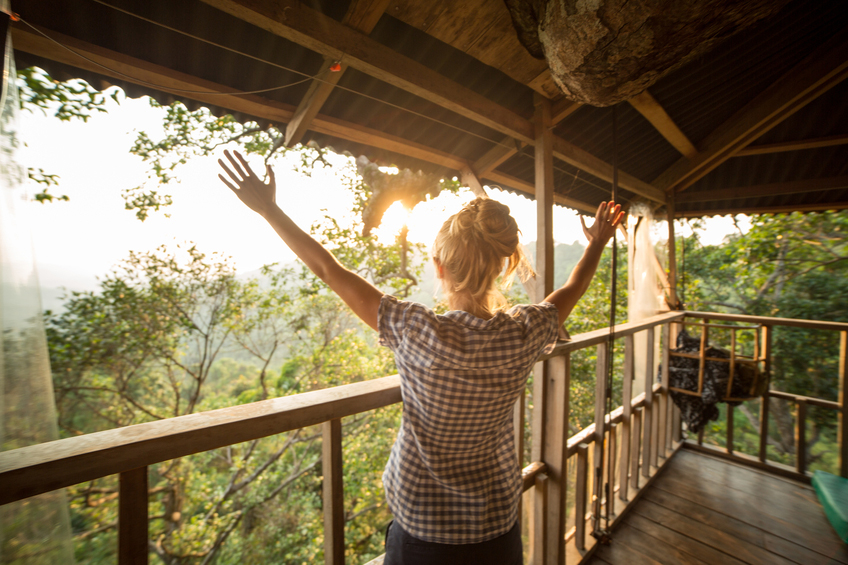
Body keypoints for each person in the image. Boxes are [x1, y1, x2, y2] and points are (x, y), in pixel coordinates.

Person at [218, 150, 623, 564]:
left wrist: (269, 209)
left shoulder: (414, 329)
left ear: (439, 267)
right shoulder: (524, 332)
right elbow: (572, 288)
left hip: (421, 531)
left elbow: (328, 268)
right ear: (502, 267)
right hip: (495, 526)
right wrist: (597, 243)